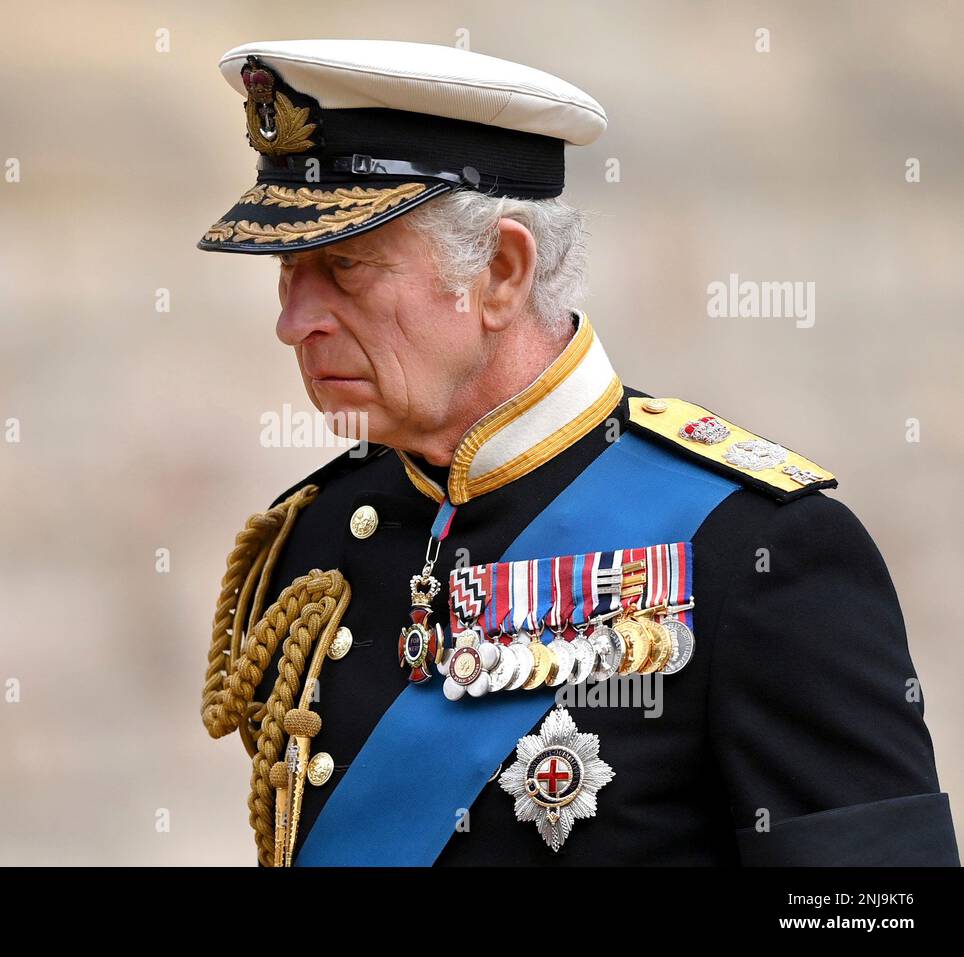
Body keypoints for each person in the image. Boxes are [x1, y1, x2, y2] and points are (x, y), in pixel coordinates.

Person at [197, 39, 958, 866]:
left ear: (501, 271)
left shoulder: (757, 552)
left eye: (344, 268)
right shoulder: (314, 546)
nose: (293, 320)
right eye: (287, 270)